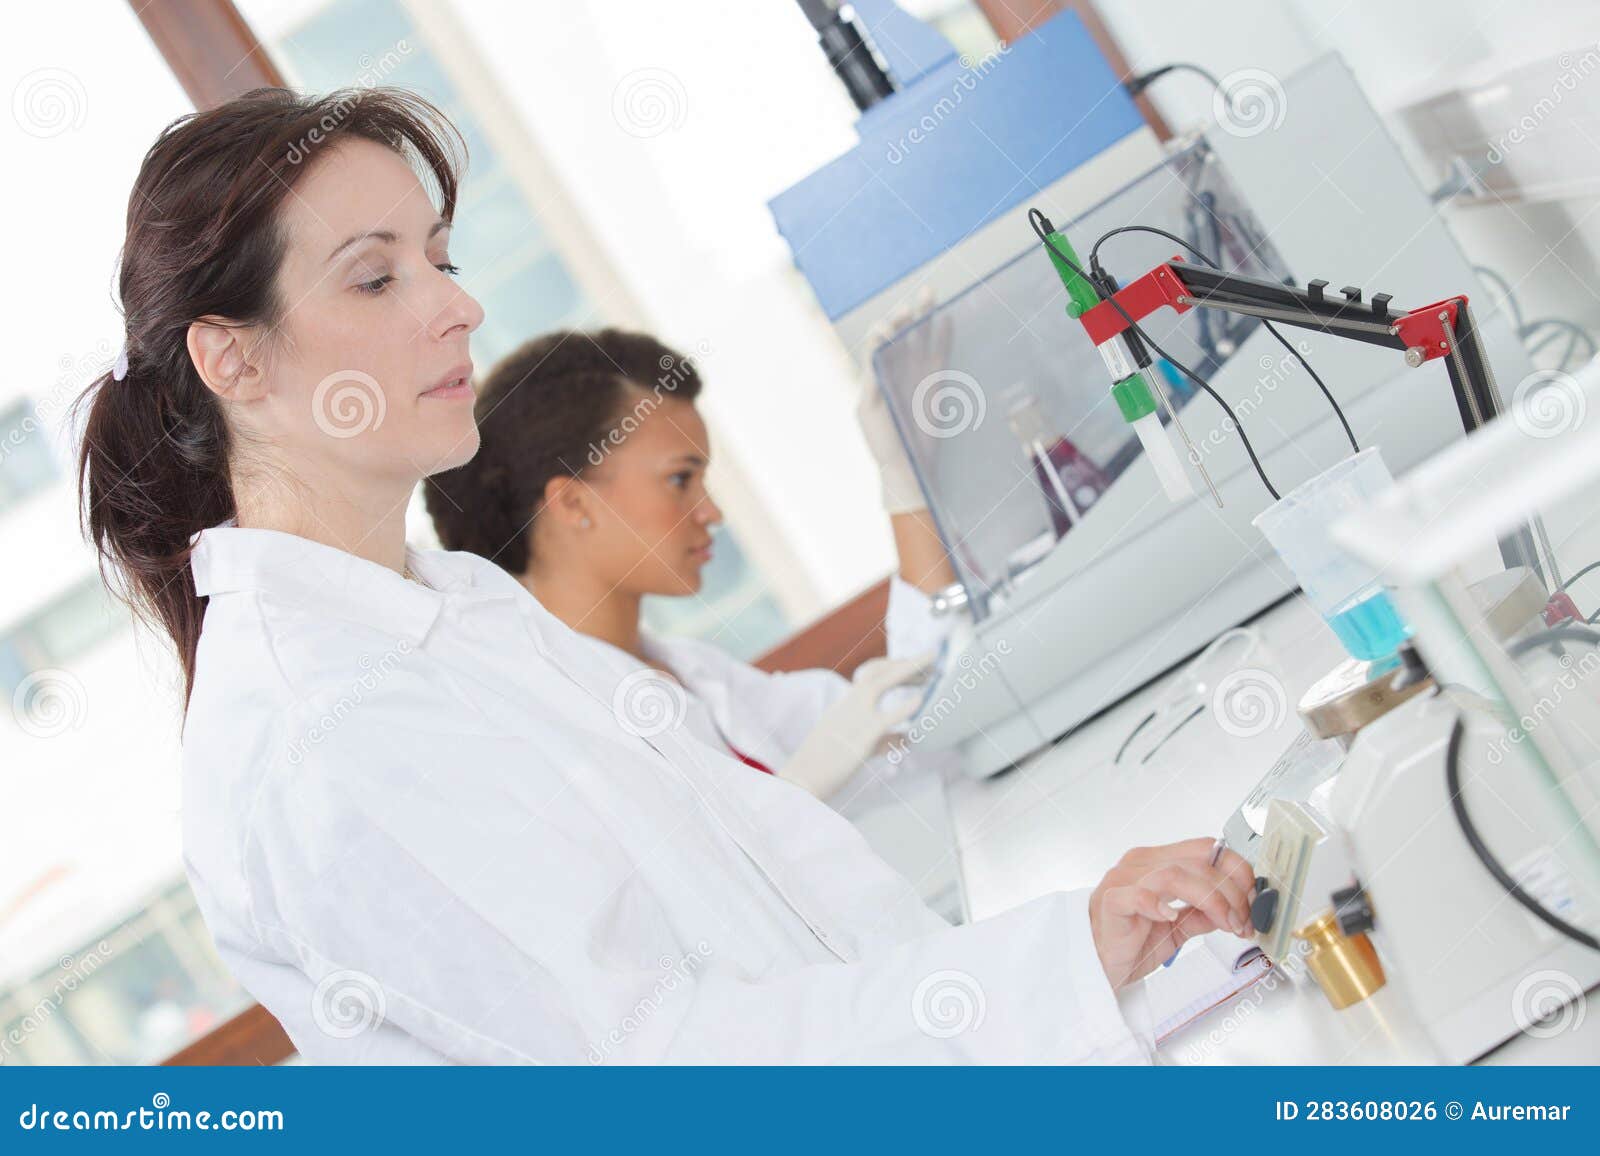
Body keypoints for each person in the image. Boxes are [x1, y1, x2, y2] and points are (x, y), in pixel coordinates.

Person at [78, 86, 1257, 1064]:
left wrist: (1078, 972)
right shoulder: (322, 733)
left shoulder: (462, 609)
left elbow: (791, 876)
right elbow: (660, 1059)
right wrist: (1062, 965)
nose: (457, 305)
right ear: (233, 358)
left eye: (439, 258)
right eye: (376, 278)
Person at [424, 328, 948, 801]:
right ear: (574, 504)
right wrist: (798, 792)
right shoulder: (548, 720)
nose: (712, 513)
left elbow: (913, 720)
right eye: (680, 480)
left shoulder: (694, 673)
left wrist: (905, 478)